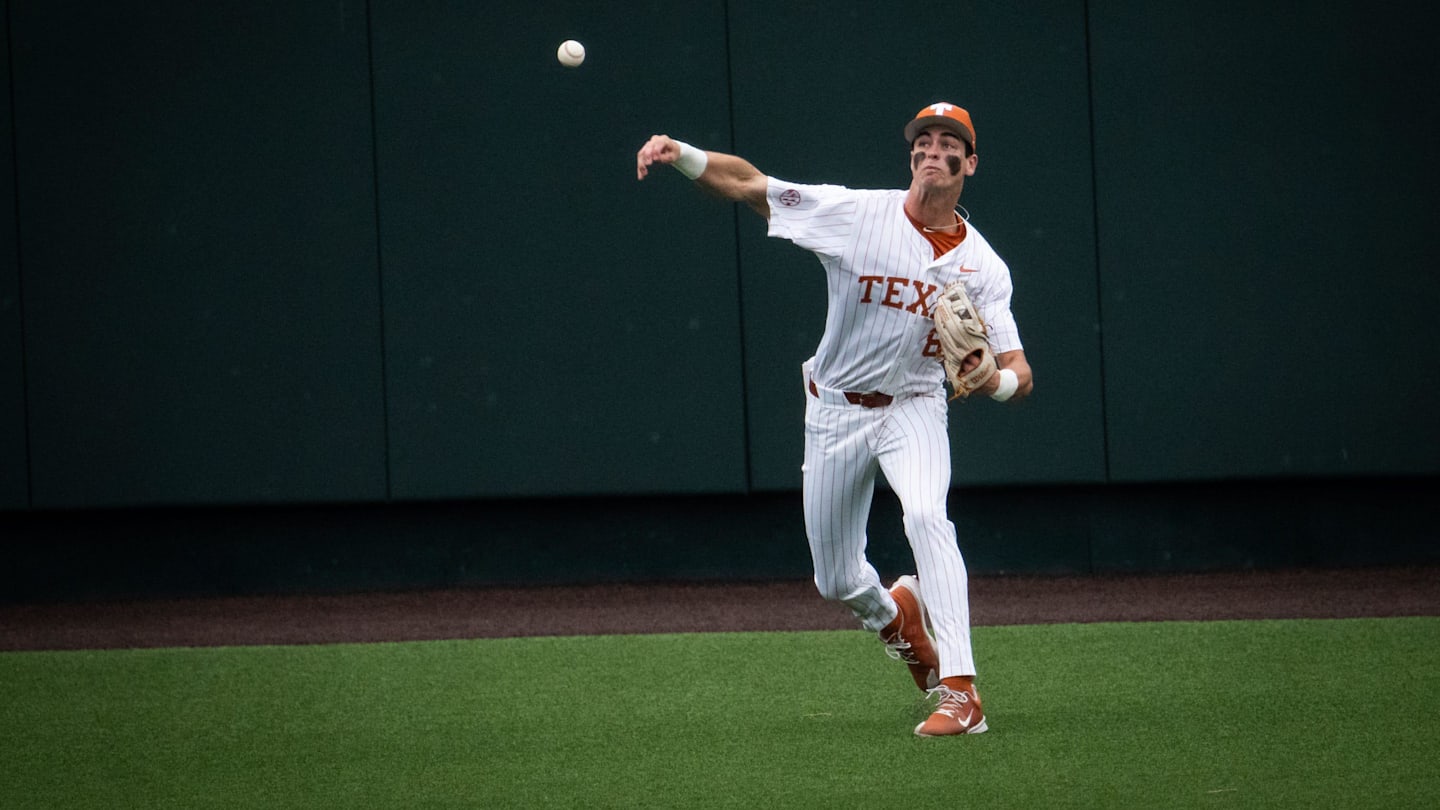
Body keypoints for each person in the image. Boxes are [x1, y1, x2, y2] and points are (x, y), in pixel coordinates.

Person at [636, 102, 1033, 737]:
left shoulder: (984, 266)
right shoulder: (858, 215)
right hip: (835, 409)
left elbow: (1020, 374)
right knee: (836, 578)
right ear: (911, 156)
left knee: (928, 514)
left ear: (970, 163)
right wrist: (680, 153)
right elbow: (749, 184)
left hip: (914, 404)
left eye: (949, 142)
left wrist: (996, 381)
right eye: (923, 140)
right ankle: (894, 615)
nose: (933, 149)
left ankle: (961, 690)